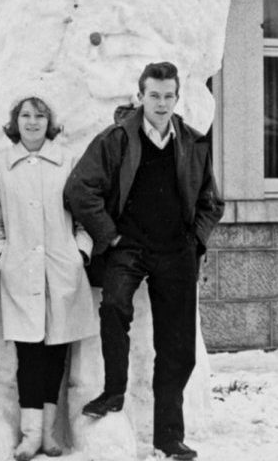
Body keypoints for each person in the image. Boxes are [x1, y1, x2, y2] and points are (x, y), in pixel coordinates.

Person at [64, 62, 224, 461]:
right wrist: (110, 235)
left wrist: (195, 241)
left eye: (169, 95)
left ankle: (169, 437)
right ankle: (114, 390)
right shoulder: (117, 139)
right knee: (114, 306)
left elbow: (211, 201)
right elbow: (79, 189)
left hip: (176, 250)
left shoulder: (191, 142)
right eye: (154, 95)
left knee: (178, 346)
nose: (162, 103)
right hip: (129, 246)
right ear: (141, 96)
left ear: (176, 97)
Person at [0, 96, 99, 461]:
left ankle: (48, 434)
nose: (32, 122)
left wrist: (79, 253)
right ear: (15, 122)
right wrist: (3, 257)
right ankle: (29, 435)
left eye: (39, 115)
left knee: (55, 355)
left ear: (49, 122)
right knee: (28, 354)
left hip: (61, 273)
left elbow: (86, 215)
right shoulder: (2, 166)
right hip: (20, 273)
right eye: (25, 115)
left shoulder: (67, 161)